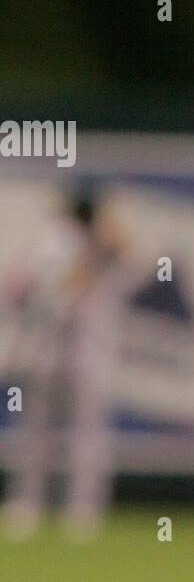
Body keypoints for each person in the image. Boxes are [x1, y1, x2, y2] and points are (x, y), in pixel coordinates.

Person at [1, 187, 127, 541]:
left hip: (86, 354)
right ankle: (28, 504)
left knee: (83, 436)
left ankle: (80, 509)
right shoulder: (50, 243)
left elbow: (118, 249)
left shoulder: (100, 247)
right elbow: (15, 290)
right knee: (36, 433)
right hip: (48, 350)